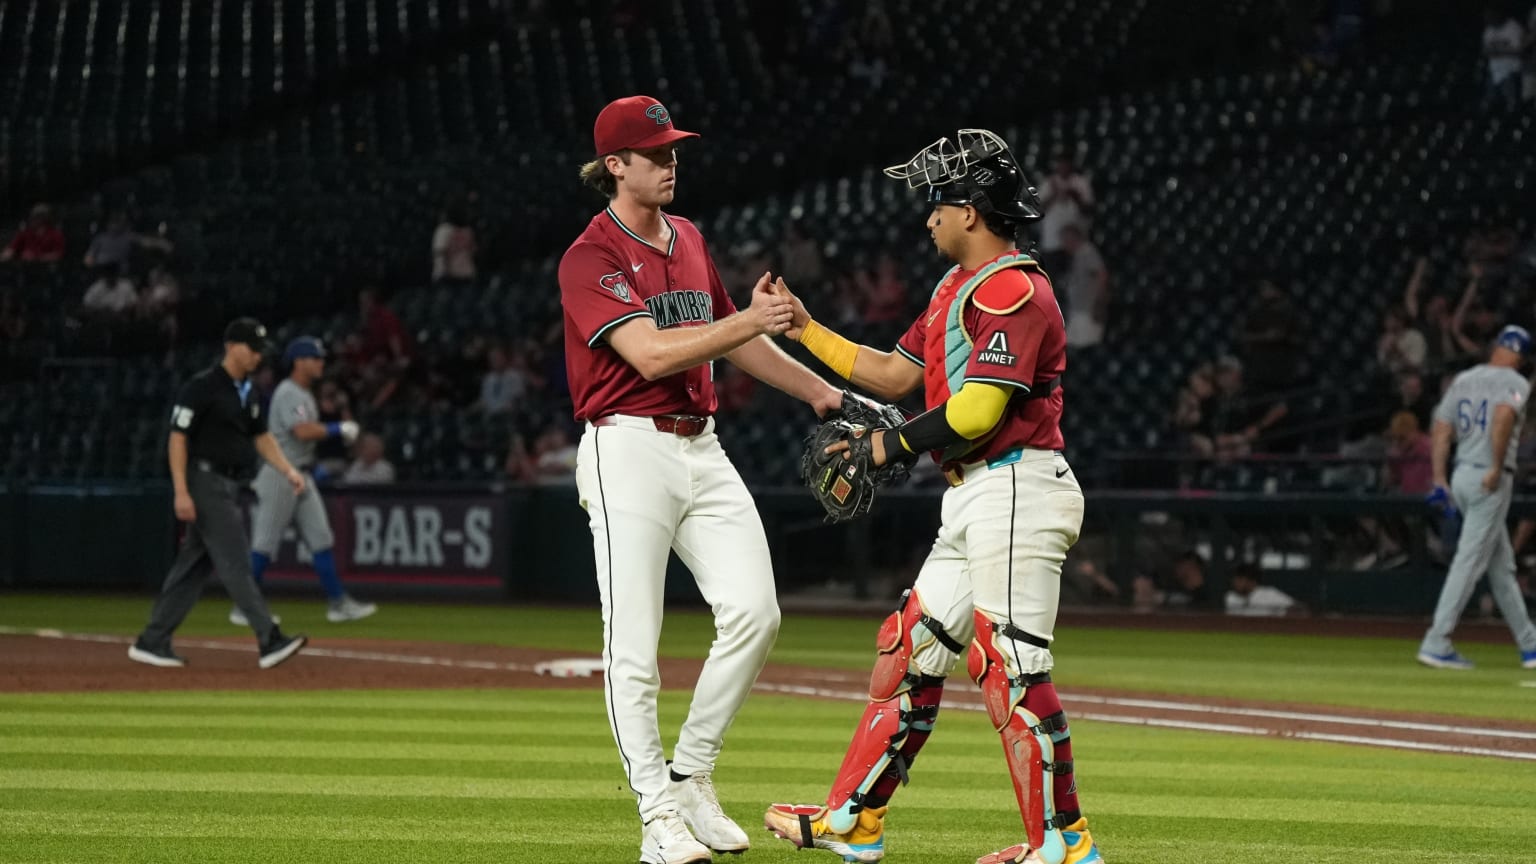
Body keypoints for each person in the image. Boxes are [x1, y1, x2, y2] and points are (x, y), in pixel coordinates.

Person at [761, 129, 1103, 864]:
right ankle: (856, 821)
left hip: (1018, 485)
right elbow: (890, 374)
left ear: (972, 210)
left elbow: (978, 412)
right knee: (911, 648)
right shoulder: (957, 288)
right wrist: (805, 327)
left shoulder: (1016, 288)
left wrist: (882, 447)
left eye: (937, 204)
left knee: (1011, 667)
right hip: (979, 493)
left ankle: (1064, 848)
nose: (928, 219)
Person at [558, 94, 843, 864]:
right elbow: (651, 355)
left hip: (701, 445)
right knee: (635, 650)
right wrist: (748, 322)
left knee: (757, 612)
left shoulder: (687, 236)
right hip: (628, 451)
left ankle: (690, 776)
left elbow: (730, 338)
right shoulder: (591, 256)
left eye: (674, 149)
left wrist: (819, 391)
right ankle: (657, 817)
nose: (671, 161)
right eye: (655, 153)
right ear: (615, 166)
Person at [128, 318, 308, 670]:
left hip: (229, 483)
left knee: (194, 564)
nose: (258, 356)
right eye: (252, 349)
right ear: (231, 347)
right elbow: (177, 438)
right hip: (205, 482)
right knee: (235, 559)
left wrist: (287, 470)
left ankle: (153, 639)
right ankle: (268, 638)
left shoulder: (248, 393)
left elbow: (262, 437)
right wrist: (181, 490)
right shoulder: (202, 387)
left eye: (261, 351)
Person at [1419, 325, 1536, 670]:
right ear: (1521, 356)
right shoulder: (1516, 382)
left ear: (1497, 346)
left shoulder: (1465, 378)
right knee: (1469, 562)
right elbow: (1502, 417)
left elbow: (1441, 428)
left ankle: (1530, 645)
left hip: (1461, 475)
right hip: (1489, 479)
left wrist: (1439, 479)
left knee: (1501, 567)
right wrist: (1497, 466)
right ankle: (1437, 640)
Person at [240, 336, 378, 626]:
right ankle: (244, 606)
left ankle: (338, 603)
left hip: (300, 472)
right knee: (264, 544)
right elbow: (301, 432)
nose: (321, 363)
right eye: (316, 358)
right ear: (299, 362)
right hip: (281, 473)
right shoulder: (290, 392)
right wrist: (338, 427)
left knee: (321, 538)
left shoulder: (302, 393)